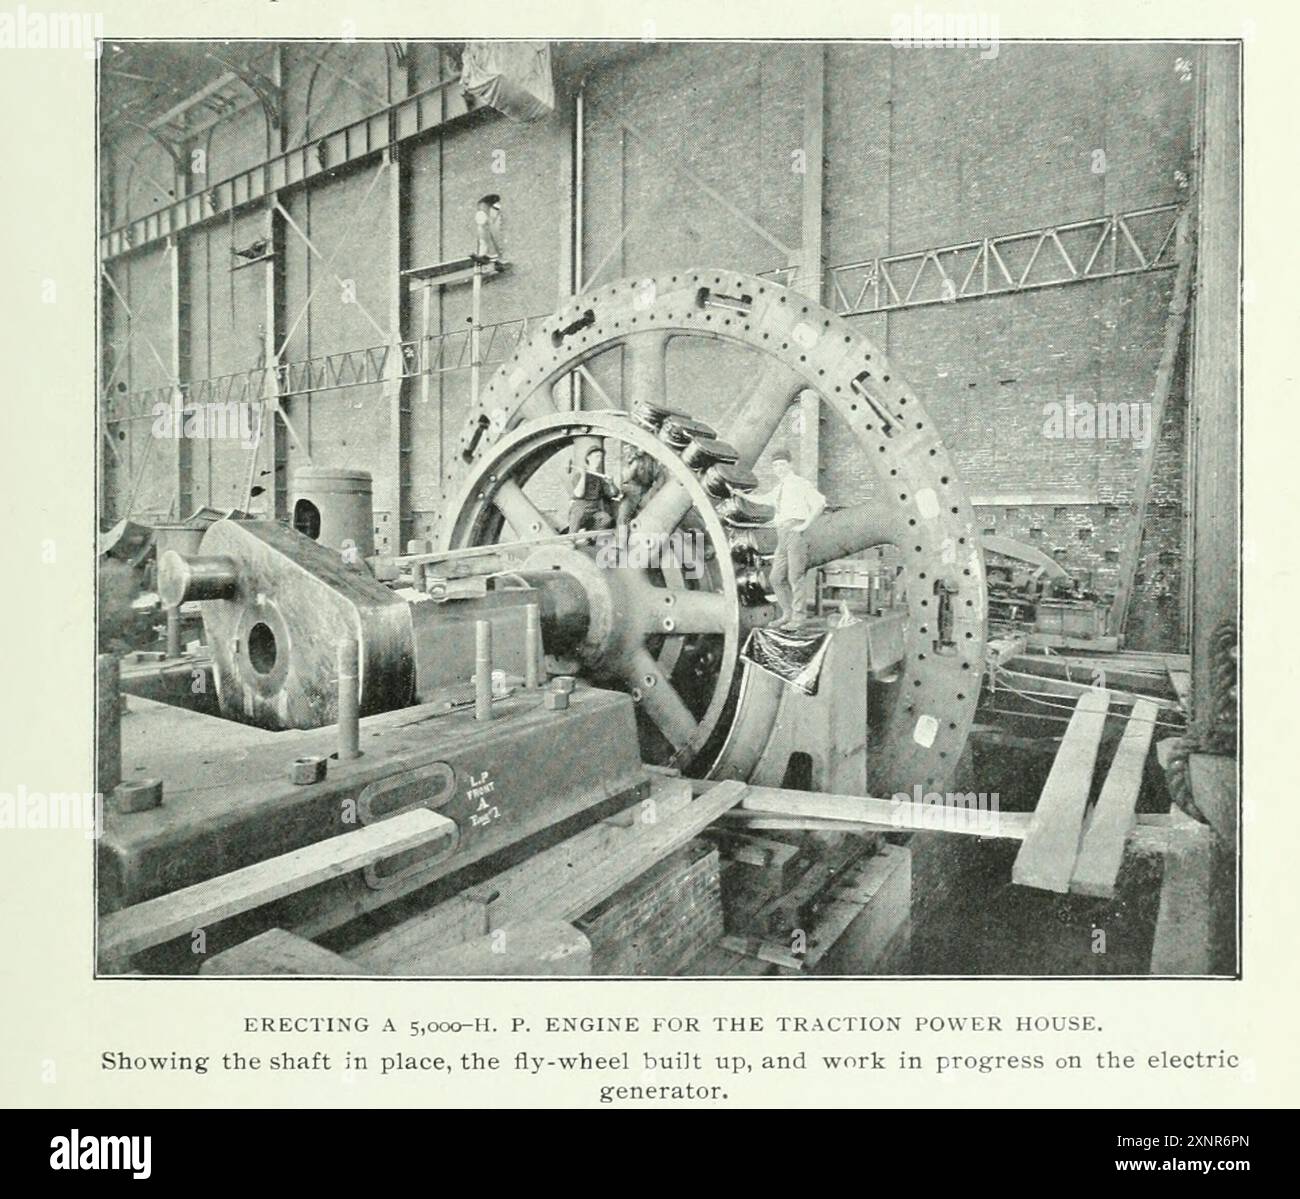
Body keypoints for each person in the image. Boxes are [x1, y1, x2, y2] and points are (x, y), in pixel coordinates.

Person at [751, 449, 827, 628]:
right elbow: (763, 499)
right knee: (776, 578)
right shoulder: (780, 488)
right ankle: (788, 613)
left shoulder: (800, 484)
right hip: (782, 534)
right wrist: (739, 495)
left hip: (795, 532)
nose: (778, 468)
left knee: (795, 576)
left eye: (782, 464)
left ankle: (799, 619)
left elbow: (820, 503)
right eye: (775, 465)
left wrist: (804, 525)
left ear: (790, 465)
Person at [568, 444, 621, 533]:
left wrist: (611, 484)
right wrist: (584, 476)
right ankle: (570, 540)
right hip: (581, 508)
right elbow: (578, 494)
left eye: (601, 457)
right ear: (588, 458)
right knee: (578, 513)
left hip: (595, 509)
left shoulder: (600, 478)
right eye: (597, 457)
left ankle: (590, 540)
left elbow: (613, 494)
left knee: (606, 519)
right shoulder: (579, 476)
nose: (599, 460)